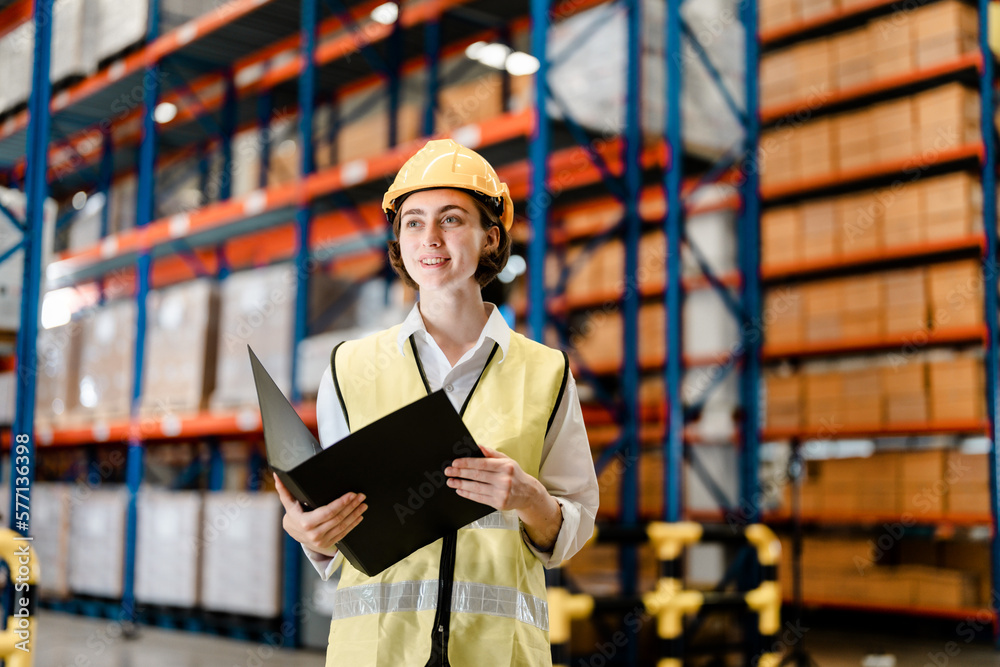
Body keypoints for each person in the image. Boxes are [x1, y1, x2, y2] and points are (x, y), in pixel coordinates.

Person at [274, 139, 599, 666]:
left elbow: (574, 522)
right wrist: (308, 531)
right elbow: (336, 529)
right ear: (399, 241)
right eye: (413, 222)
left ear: (490, 237)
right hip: (378, 651)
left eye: (452, 220)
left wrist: (530, 499)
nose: (431, 238)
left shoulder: (546, 371)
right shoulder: (349, 366)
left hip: (498, 654)